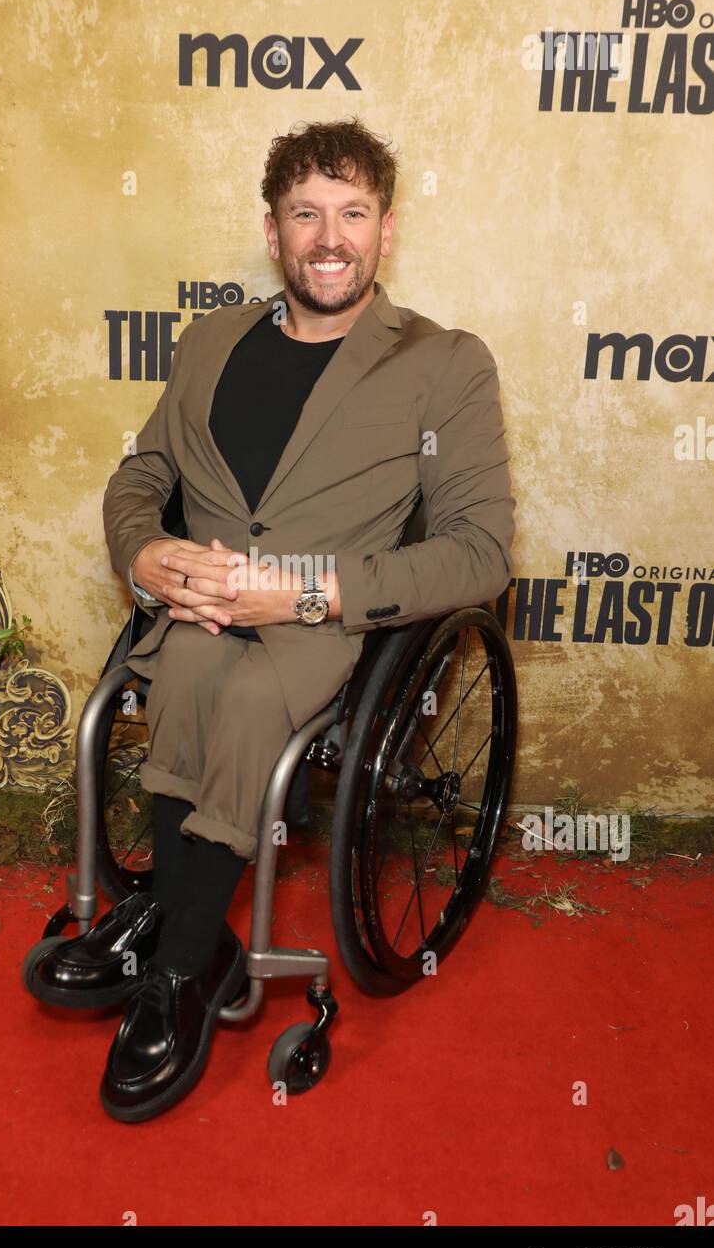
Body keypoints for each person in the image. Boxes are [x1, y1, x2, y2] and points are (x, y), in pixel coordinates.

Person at [25, 116, 516, 1123]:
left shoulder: (444, 363)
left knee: (242, 689)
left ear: (384, 230)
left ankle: (180, 966)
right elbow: (143, 475)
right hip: (196, 609)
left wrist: (296, 591)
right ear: (271, 229)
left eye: (351, 213)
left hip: (319, 621)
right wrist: (144, 551)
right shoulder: (209, 339)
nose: (327, 237)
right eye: (305, 213)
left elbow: (478, 553)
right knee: (192, 670)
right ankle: (176, 915)